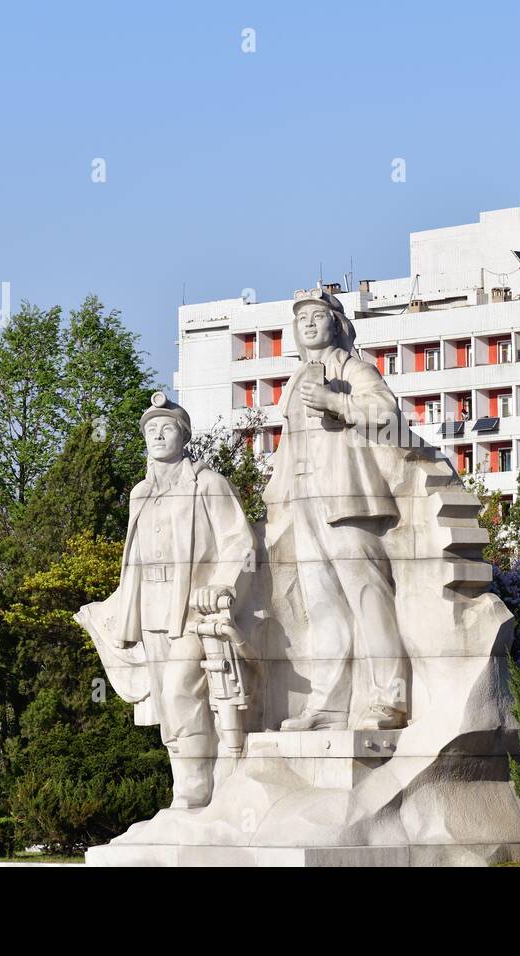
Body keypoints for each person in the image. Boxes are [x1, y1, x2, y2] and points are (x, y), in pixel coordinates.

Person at [77, 391, 255, 808]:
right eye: (151, 430)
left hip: (193, 610)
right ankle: (186, 787)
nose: (158, 435)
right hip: (151, 610)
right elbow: (132, 562)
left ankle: (197, 788)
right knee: (165, 701)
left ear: (184, 436)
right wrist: (113, 610)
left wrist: (224, 585)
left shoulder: (208, 484)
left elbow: (239, 543)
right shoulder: (140, 492)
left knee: (179, 691)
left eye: (167, 428)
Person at [264, 287, 410, 732]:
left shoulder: (355, 369)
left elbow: (388, 413)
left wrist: (335, 402)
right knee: (322, 604)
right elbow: (288, 448)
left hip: (347, 498)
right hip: (303, 499)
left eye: (317, 315)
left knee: (368, 595)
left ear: (336, 323)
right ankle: (328, 705)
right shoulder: (292, 381)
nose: (308, 323)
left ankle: (391, 698)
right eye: (301, 318)